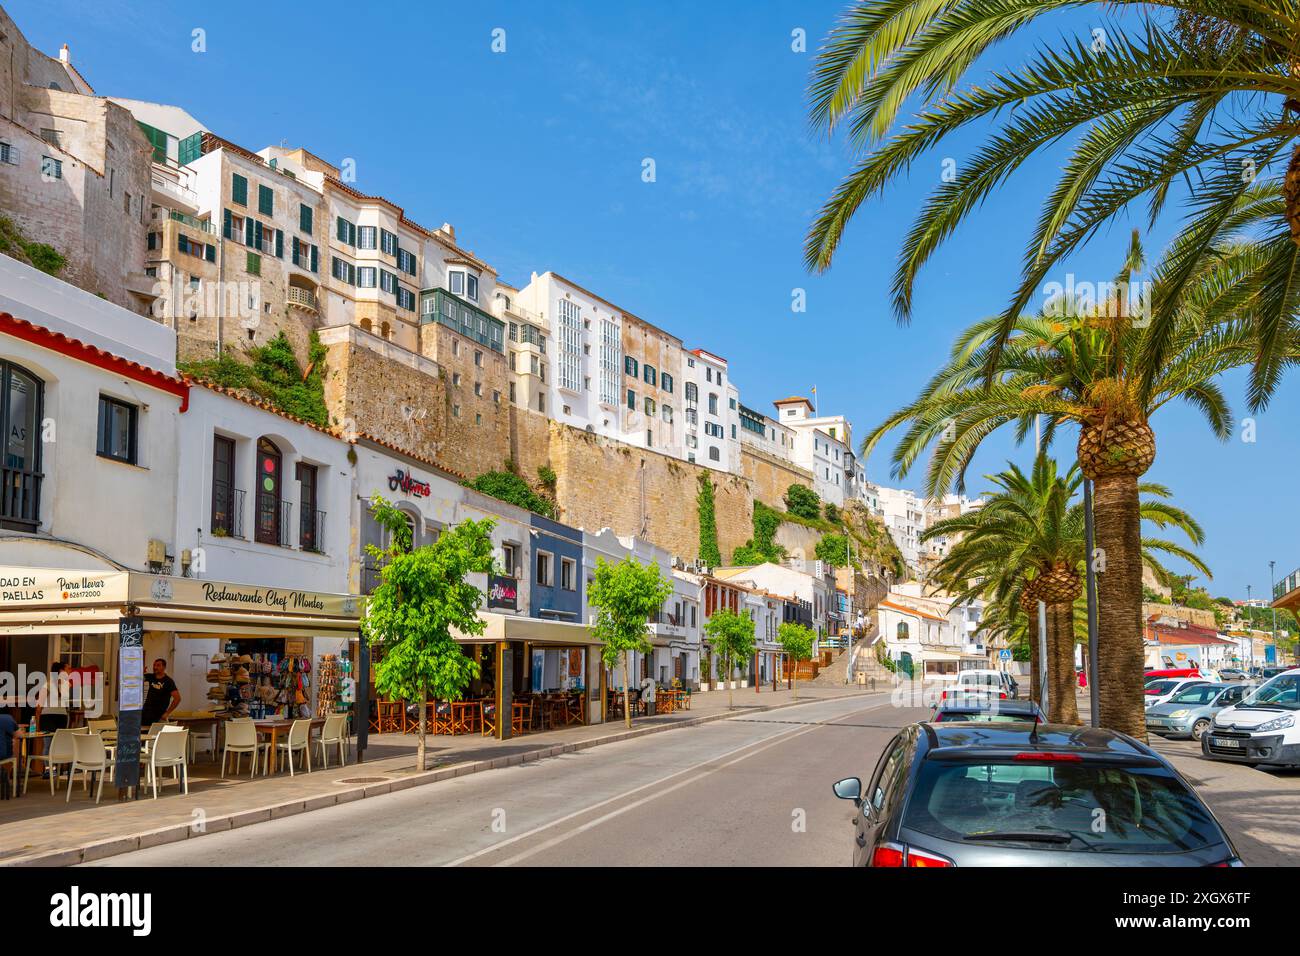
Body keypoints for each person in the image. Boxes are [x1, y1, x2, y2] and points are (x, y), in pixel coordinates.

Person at [141, 658, 180, 726]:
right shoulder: (151, 677)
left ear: (164, 667)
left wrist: (167, 713)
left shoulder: (168, 681)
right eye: (154, 665)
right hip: (146, 713)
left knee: (156, 735)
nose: (155, 667)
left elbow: (177, 699)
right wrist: (141, 672)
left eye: (158, 665)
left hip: (159, 716)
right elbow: (136, 680)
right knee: (143, 734)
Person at [34, 662, 70, 732]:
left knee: (59, 742)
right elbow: (38, 708)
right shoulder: (47, 685)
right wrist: (37, 726)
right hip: (48, 717)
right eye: (66, 670)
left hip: (62, 717)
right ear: (60, 671)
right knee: (49, 742)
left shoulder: (66, 686)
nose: (68, 672)